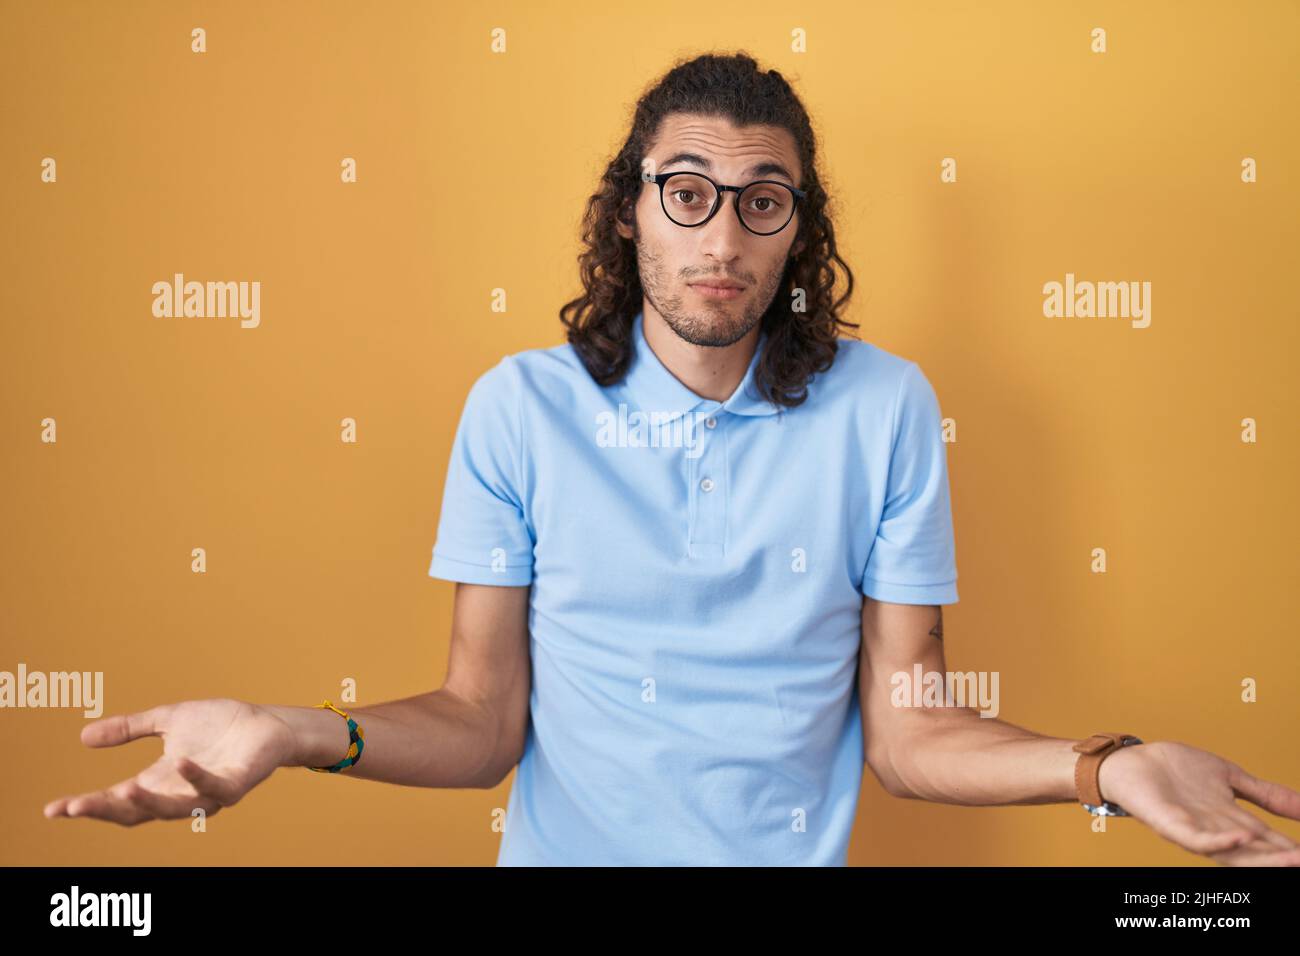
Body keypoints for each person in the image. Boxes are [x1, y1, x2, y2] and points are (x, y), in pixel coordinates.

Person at [44, 52, 1300, 867]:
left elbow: (910, 733)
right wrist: (295, 726)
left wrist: (1106, 764)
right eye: (685, 189)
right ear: (628, 208)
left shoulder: (885, 408)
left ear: (798, 232)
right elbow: (483, 721)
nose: (722, 231)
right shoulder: (519, 409)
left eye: (765, 199)